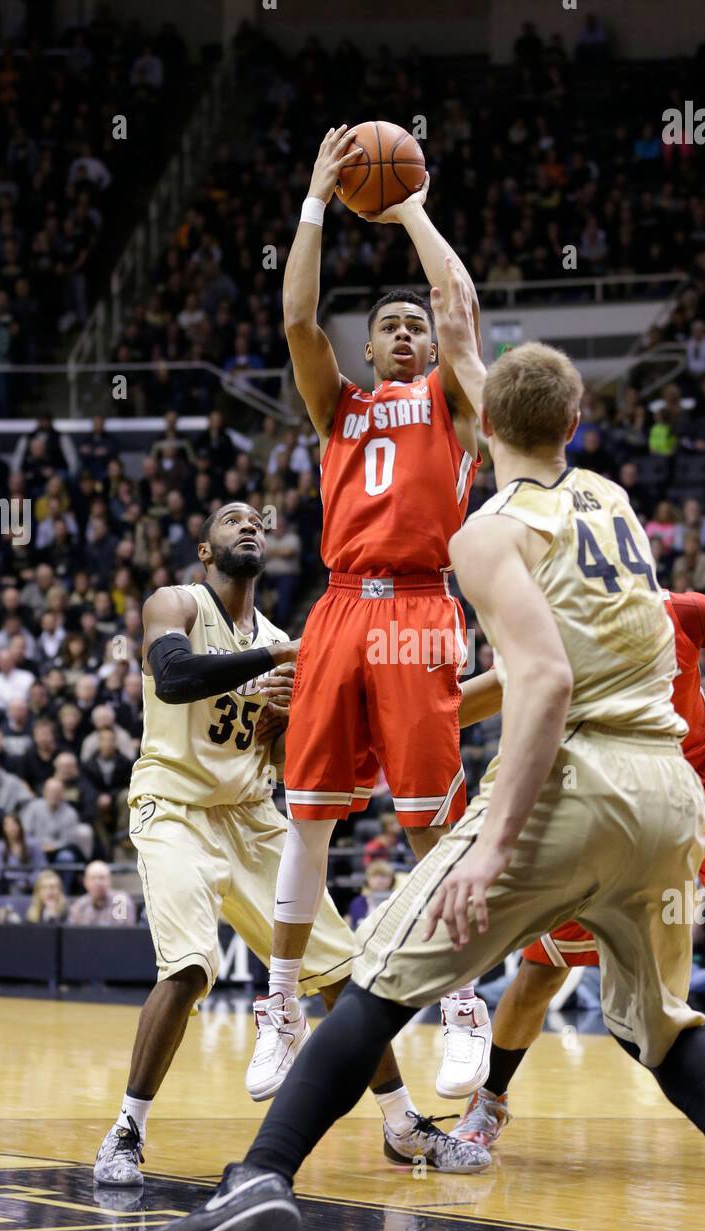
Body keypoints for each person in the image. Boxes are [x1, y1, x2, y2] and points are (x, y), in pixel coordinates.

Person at [117, 261, 705, 1231]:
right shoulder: (614, 501)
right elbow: (465, 337)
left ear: (474, 415)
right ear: (576, 420)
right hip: (666, 795)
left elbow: (537, 681)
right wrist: (421, 229)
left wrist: (489, 843)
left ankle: (259, 1174)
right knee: (659, 1019)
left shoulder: (487, 528)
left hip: (576, 781)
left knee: (370, 979)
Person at [94, 502, 486, 1191]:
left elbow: (286, 757)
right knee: (189, 967)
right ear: (206, 552)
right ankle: (127, 1131)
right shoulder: (176, 602)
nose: (247, 526)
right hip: (175, 807)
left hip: (250, 811)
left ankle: (400, 1122)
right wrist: (277, 661)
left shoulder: (284, 637)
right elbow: (175, 676)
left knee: (343, 974)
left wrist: (282, 719)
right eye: (229, 521)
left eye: (255, 521)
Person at [246, 127, 483, 1102]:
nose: (401, 330)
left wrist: (408, 207)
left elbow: (460, 307)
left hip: (421, 605)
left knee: (430, 825)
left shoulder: (451, 402)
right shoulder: (337, 405)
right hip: (340, 608)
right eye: (385, 322)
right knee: (307, 818)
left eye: (410, 325)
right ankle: (281, 1002)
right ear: (367, 342)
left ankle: (464, 1003)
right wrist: (313, 199)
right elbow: (298, 314)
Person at [449, 588, 705, 1144]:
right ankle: (490, 1098)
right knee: (541, 974)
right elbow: (459, 706)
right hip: (610, 812)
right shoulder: (550, 634)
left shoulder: (682, 612)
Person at [68, 859, 137, 926]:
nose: (97, 882)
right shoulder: (79, 905)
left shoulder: (120, 901)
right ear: (85, 882)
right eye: (93, 878)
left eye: (102, 878)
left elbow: (126, 933)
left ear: (109, 880)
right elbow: (72, 933)